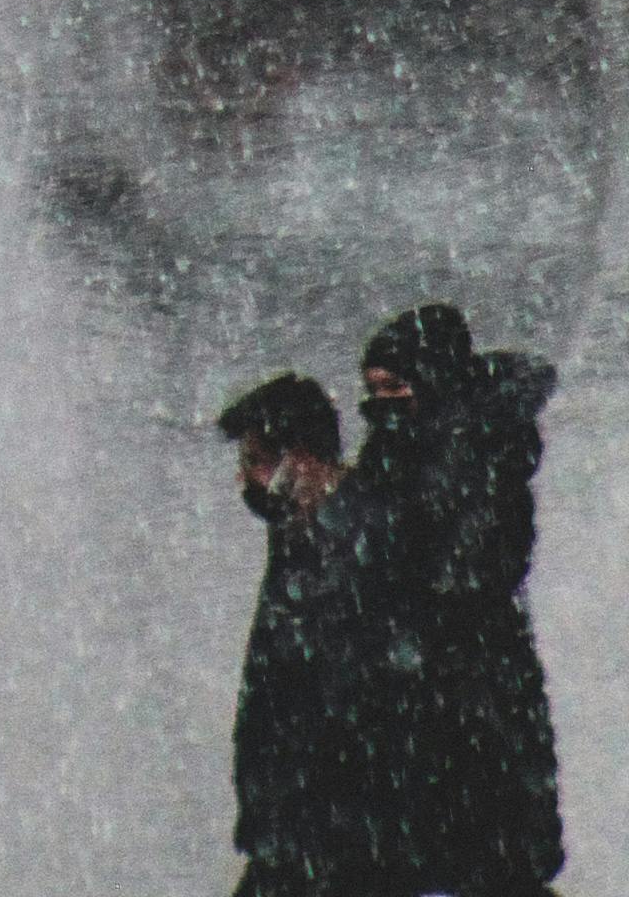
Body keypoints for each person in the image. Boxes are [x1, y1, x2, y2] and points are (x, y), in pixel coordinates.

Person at [338, 303, 564, 897]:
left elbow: (460, 577)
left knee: (475, 857)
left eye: (396, 387)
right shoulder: (415, 451)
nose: (382, 404)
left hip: (460, 710)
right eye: (374, 391)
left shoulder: (477, 456)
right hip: (447, 710)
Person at [217, 372, 373, 897]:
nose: (245, 482)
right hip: (295, 847)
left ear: (300, 458)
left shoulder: (352, 550)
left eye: (254, 462)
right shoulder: (301, 544)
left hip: (330, 853)